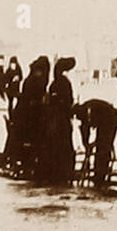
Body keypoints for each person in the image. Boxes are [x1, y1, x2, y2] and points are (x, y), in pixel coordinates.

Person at [41, 57, 77, 185]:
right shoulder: (63, 83)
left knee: (56, 146)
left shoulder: (54, 83)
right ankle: (63, 172)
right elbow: (67, 101)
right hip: (61, 120)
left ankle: (56, 172)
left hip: (55, 120)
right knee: (63, 145)